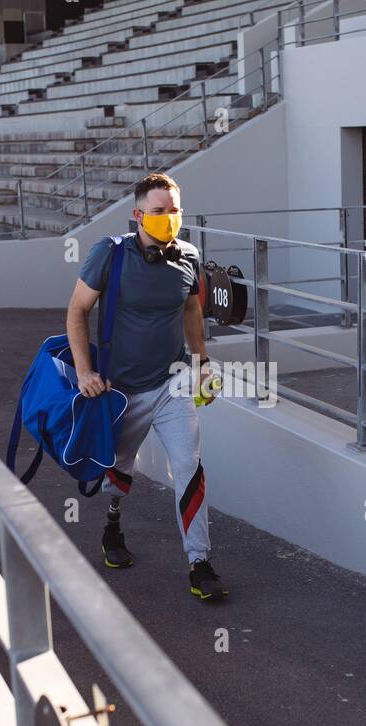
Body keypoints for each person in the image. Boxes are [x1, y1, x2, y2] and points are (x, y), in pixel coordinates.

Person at [65, 172, 227, 601]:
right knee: (119, 470)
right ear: (138, 215)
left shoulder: (190, 256)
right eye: (159, 212)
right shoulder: (110, 254)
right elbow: (77, 311)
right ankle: (113, 521)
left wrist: (202, 363)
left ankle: (200, 563)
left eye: (175, 210)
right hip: (120, 391)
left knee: (189, 468)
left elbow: (192, 311)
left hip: (173, 386)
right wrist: (85, 372)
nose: (169, 218)